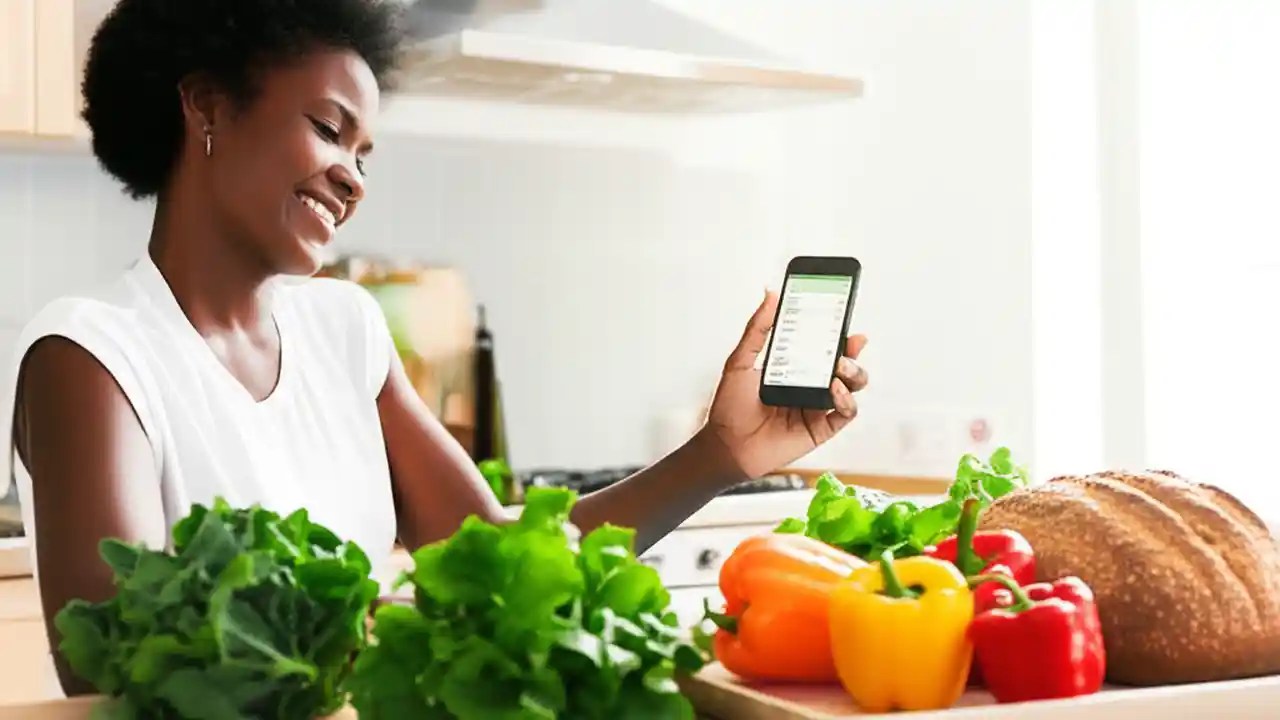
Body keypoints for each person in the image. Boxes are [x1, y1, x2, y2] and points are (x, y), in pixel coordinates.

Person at [4, 0, 869, 694]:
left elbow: (498, 560)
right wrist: (399, 629)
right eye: (328, 127)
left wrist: (720, 454)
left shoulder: (345, 330)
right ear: (207, 105)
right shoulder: (91, 355)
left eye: (365, 153)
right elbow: (111, 652)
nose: (352, 176)